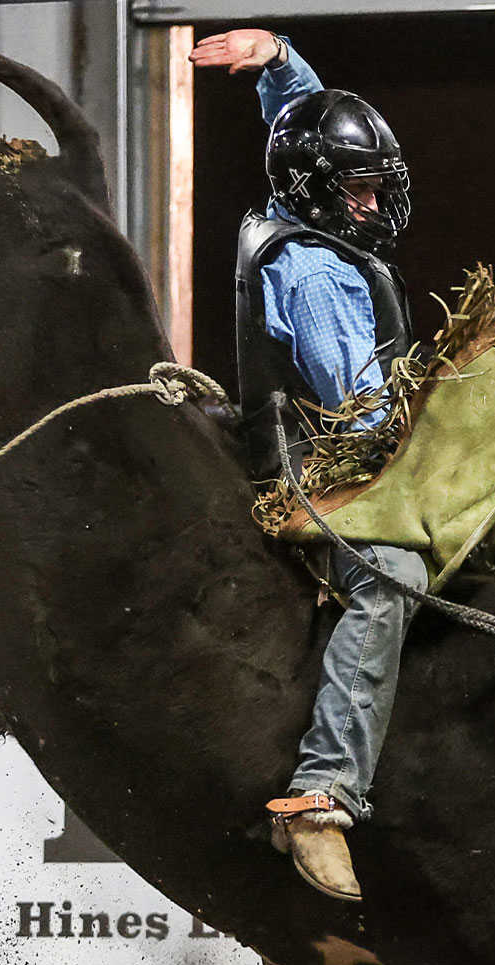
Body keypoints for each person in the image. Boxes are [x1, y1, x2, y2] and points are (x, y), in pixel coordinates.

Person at [191, 29, 424, 904]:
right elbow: (361, 406)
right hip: (321, 479)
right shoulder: (320, 276)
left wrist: (279, 61)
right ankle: (325, 791)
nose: (373, 204)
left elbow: (300, 124)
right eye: (360, 191)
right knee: (394, 575)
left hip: (334, 457)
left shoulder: (294, 213)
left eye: (376, 187)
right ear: (321, 193)